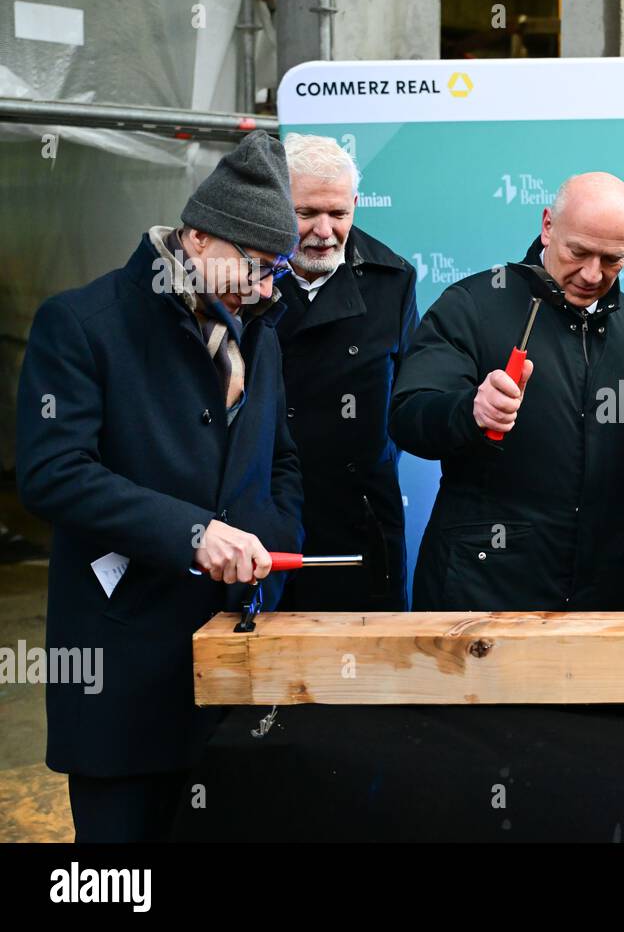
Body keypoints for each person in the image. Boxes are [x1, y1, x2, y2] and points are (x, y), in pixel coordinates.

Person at [16, 130, 304, 841]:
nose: (267, 289)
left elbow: (283, 462)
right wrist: (194, 534)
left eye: (278, 271)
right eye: (259, 266)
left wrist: (273, 540)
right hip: (123, 670)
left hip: (234, 668)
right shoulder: (81, 325)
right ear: (201, 238)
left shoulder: (257, 334)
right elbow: (55, 472)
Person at [389, 172, 624, 611]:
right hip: (479, 596)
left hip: (601, 603)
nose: (593, 274)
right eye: (578, 252)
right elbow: (409, 416)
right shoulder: (472, 305)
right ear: (547, 225)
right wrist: (470, 411)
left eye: (612, 259)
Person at [275, 134, 417, 612]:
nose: (323, 231)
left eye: (338, 214)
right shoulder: (242, 277)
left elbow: (408, 394)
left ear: (356, 204)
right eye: (306, 213)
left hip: (361, 518)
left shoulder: (393, 279)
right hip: (265, 517)